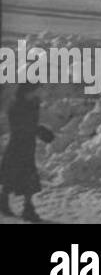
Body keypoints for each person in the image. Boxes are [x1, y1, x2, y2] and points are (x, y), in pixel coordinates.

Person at [0, 84, 54, 222]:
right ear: (27, 92)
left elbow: (29, 124)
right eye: (35, 91)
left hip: (27, 147)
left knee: (20, 177)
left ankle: (10, 203)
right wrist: (38, 130)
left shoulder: (31, 104)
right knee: (18, 176)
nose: (37, 93)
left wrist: (38, 130)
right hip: (17, 146)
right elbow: (19, 127)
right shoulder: (16, 106)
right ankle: (26, 208)